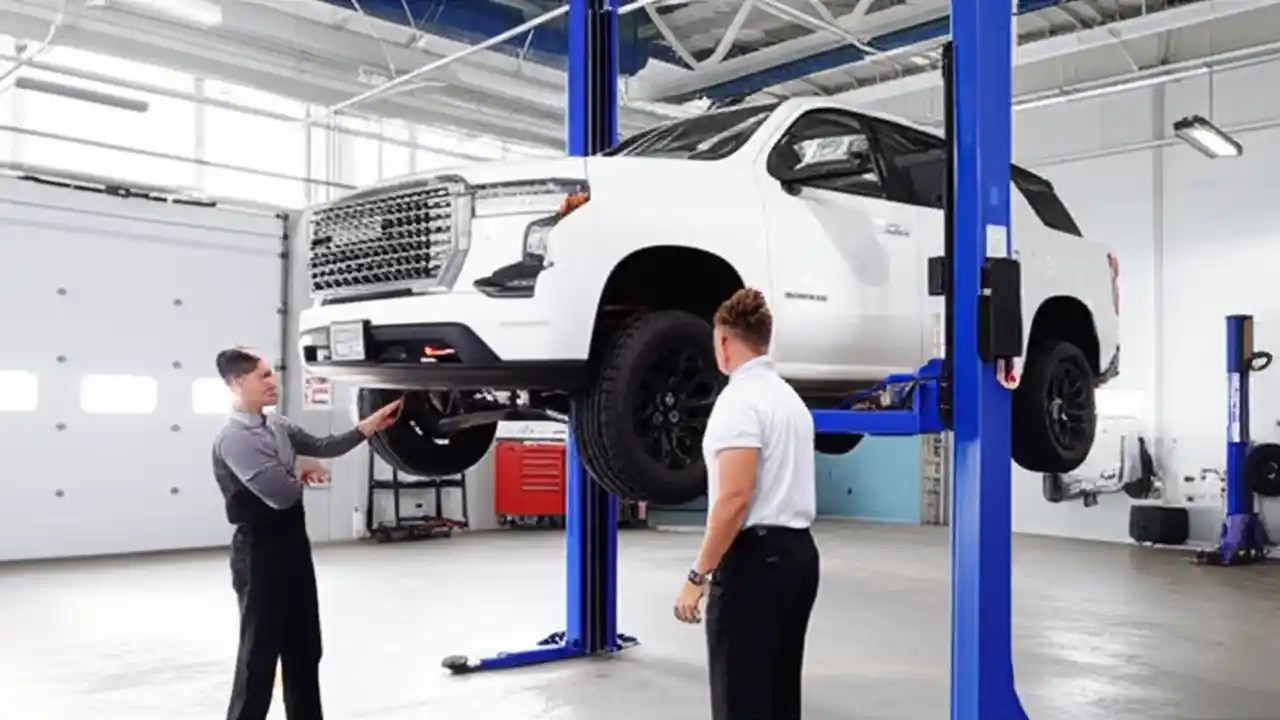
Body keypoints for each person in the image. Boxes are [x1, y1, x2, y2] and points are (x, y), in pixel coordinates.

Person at [212, 348, 403, 720]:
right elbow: (280, 494)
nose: (273, 382)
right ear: (238, 383)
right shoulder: (234, 439)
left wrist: (369, 425)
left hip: (293, 548)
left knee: (304, 647)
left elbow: (322, 446)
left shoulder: (277, 425)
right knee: (258, 656)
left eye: (272, 374)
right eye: (262, 376)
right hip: (259, 552)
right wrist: (300, 468)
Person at [673, 288, 821, 720]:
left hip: (756, 564)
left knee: (739, 700)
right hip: (799, 557)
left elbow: (735, 499)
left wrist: (697, 574)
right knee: (778, 698)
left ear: (723, 342)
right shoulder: (791, 402)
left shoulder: (739, 401)